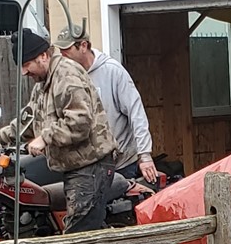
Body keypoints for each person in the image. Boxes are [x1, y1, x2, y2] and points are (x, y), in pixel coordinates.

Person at [0, 28, 118, 244]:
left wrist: (45, 138)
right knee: (80, 230)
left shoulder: (67, 76)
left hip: (93, 164)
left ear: (44, 55)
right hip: (75, 166)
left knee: (76, 236)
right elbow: (30, 119)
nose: (24, 72)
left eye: (27, 65)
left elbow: (81, 122)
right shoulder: (43, 83)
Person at [55, 25, 158, 184]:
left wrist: (144, 155)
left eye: (66, 49)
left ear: (83, 46)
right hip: (86, 167)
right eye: (60, 50)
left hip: (120, 164)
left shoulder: (112, 71)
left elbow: (136, 113)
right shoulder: (65, 77)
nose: (62, 55)